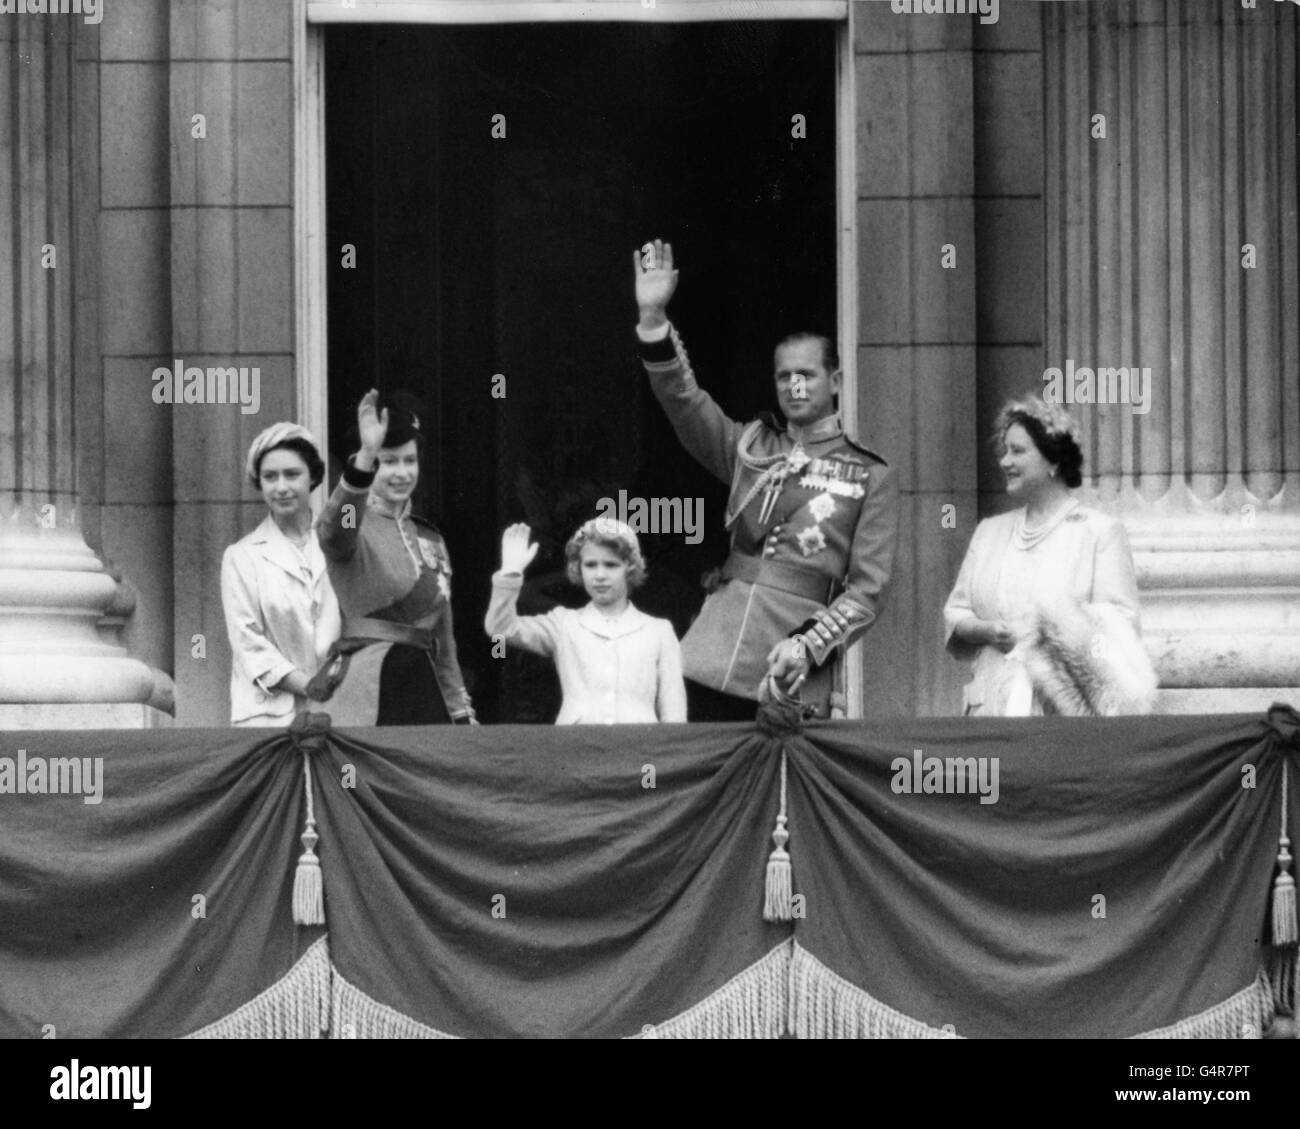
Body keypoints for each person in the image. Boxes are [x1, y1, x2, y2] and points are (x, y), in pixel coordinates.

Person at [632, 239, 898, 719]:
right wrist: (653, 321)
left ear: (835, 381)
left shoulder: (870, 474)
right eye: (783, 377)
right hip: (711, 653)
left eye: (807, 375)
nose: (794, 386)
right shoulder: (750, 448)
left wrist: (805, 647)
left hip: (789, 665)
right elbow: (684, 401)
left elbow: (867, 594)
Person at [943, 397, 1156, 716]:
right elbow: (957, 614)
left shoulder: (1099, 532)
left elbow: (1120, 631)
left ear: (1053, 460)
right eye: (1004, 451)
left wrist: (1051, 634)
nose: (1004, 461)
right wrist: (988, 630)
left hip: (1061, 721)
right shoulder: (990, 532)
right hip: (988, 713)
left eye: (1017, 451)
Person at [314, 389, 476, 725]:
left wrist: (461, 714)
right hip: (368, 689)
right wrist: (365, 457)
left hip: (423, 690)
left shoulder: (431, 539)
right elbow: (332, 530)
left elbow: (444, 644)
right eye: (388, 462)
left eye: (409, 460)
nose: (402, 472)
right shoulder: (352, 527)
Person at [485, 519, 687, 724]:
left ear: (630, 567)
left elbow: (674, 715)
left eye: (611, 565)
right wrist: (509, 575)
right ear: (578, 568)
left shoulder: (659, 631)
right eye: (590, 565)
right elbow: (500, 629)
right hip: (576, 749)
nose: (600, 575)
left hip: (641, 750)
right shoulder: (564, 623)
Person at [221, 423, 341, 726]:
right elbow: (248, 642)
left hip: (342, 710)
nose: (281, 487)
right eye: (270, 477)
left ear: (313, 476)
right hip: (269, 718)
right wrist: (308, 684)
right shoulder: (242, 556)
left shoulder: (341, 546)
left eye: (292, 474)